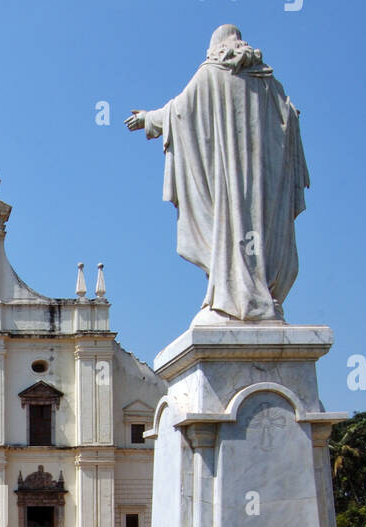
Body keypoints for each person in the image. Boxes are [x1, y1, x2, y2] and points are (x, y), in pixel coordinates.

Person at [126, 25, 309, 322]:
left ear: (216, 47)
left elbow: (179, 112)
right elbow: (289, 117)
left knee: (227, 229)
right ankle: (259, 293)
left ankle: (227, 295)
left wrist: (147, 118)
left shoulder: (210, 74)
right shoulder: (270, 83)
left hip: (227, 183)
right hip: (263, 187)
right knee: (257, 233)